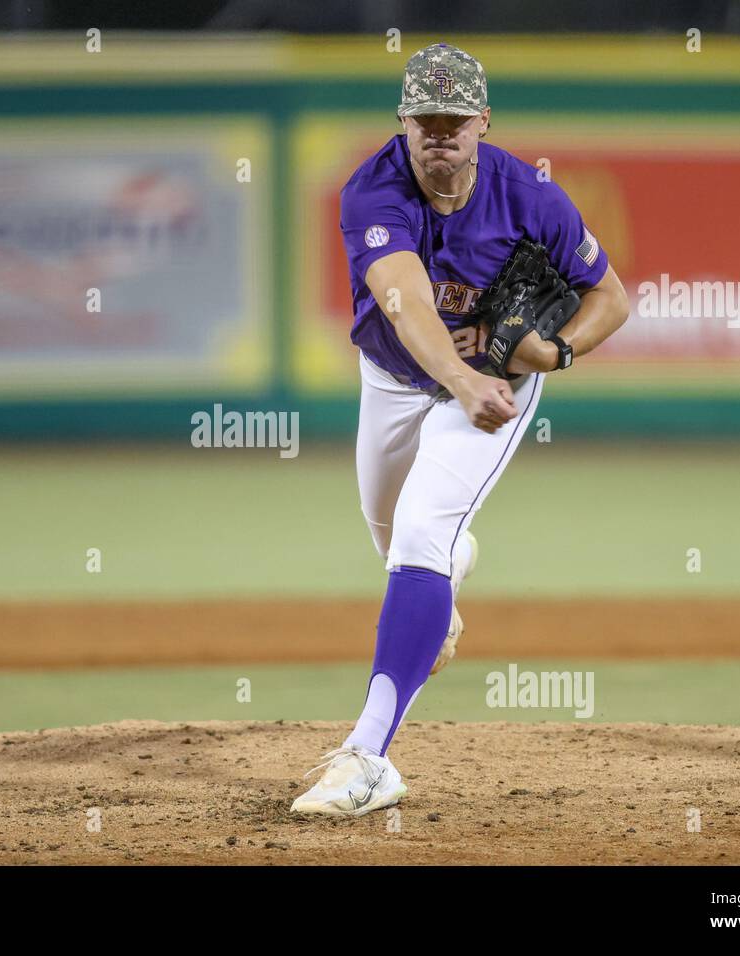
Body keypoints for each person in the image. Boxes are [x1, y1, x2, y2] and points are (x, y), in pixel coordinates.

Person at [290, 44, 630, 816]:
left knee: (416, 538)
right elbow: (406, 303)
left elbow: (609, 294)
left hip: (493, 394)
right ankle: (450, 564)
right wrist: (461, 376)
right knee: (394, 542)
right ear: (403, 121)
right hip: (401, 377)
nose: (439, 132)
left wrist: (561, 349)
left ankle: (369, 758)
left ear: (483, 122)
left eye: (455, 120)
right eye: (425, 119)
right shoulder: (371, 192)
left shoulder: (531, 197)